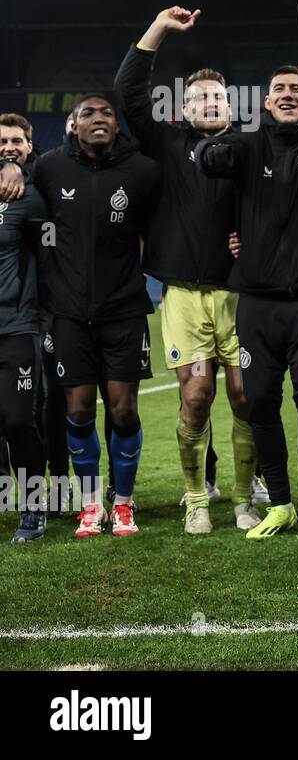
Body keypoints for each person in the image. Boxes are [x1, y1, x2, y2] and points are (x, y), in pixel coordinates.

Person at [195, 0, 298, 539]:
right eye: (278, 89)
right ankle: (281, 502)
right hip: (258, 305)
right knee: (257, 399)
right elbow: (205, 152)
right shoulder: (244, 148)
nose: (287, 94)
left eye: (296, 88)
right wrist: (208, 152)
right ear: (265, 103)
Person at [115, 6, 259, 534]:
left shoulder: (250, 149)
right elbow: (128, 88)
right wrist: (157, 28)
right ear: (182, 107)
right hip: (181, 296)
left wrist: (256, 242)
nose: (208, 101)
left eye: (217, 96)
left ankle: (245, 497)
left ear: (230, 104)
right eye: (198, 97)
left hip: (241, 296)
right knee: (197, 396)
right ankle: (197, 495)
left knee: (245, 396)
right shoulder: (167, 145)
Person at [31, 96, 159, 537]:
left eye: (107, 113)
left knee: (123, 412)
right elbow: (22, 196)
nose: (99, 119)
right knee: (80, 409)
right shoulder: (48, 168)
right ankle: (90, 505)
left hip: (123, 310)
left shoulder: (141, 170)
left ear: (116, 124)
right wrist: (9, 169)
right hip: (67, 313)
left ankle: (122, 504)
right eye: (89, 114)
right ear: (72, 126)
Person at [0, 114, 50, 540]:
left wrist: (21, 171)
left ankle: (35, 510)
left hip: (18, 324)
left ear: (30, 147)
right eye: (2, 141)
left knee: (18, 421)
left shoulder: (36, 196)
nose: (9, 146)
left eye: (17, 140)